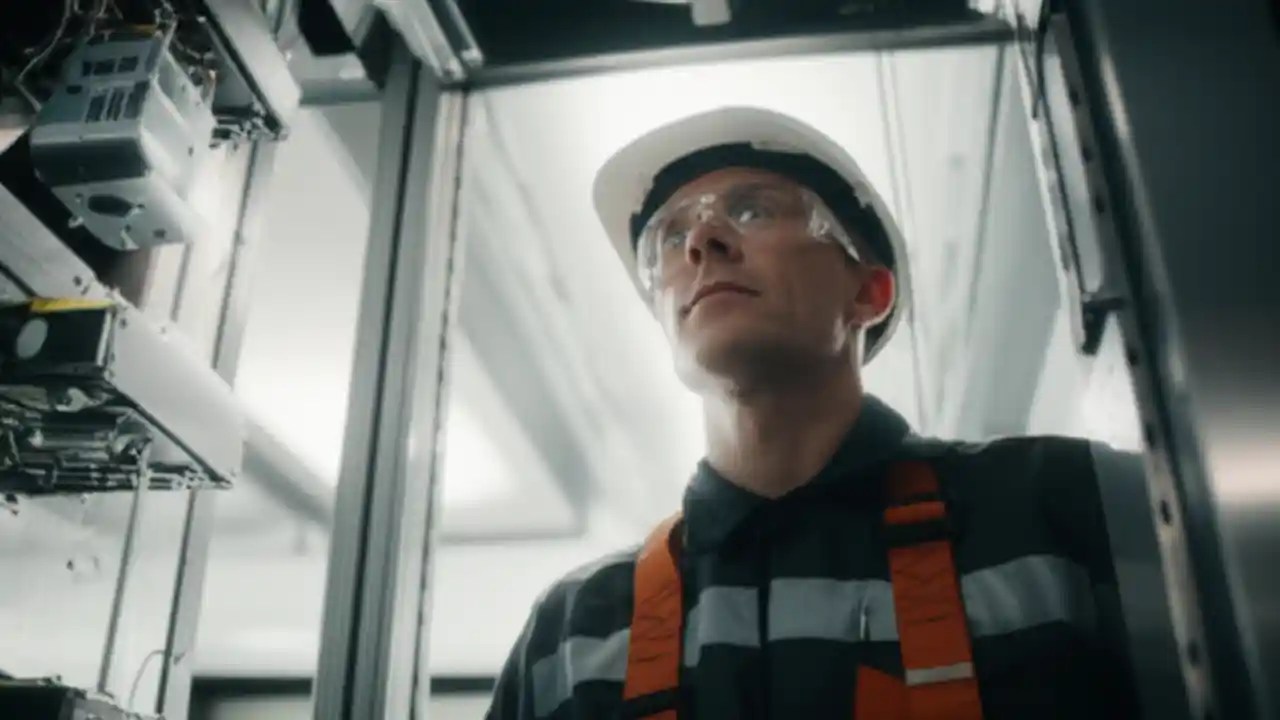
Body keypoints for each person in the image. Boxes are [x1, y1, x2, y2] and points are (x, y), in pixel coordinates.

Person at [485, 107, 1140, 719]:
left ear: (869, 292)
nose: (701, 240)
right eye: (672, 236)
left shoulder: (1060, 511)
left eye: (752, 210)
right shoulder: (570, 635)